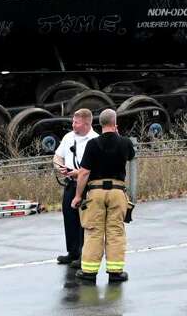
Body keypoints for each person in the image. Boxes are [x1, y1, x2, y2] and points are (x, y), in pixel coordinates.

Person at [71, 108, 135, 285]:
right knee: (115, 231)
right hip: (117, 192)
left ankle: (89, 272)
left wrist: (77, 196)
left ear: (100, 124)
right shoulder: (125, 143)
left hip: (96, 192)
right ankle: (115, 272)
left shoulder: (92, 144)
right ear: (115, 124)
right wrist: (119, 135)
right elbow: (130, 157)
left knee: (93, 231)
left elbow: (83, 173)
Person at [53, 108, 98, 268]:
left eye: (76, 122)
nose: (73, 125)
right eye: (73, 121)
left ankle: (83, 255)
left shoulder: (95, 140)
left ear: (86, 123)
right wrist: (60, 167)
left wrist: (76, 173)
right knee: (69, 217)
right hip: (70, 184)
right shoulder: (68, 137)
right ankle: (72, 252)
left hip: (87, 186)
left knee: (84, 221)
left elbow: (93, 168)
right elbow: (57, 156)